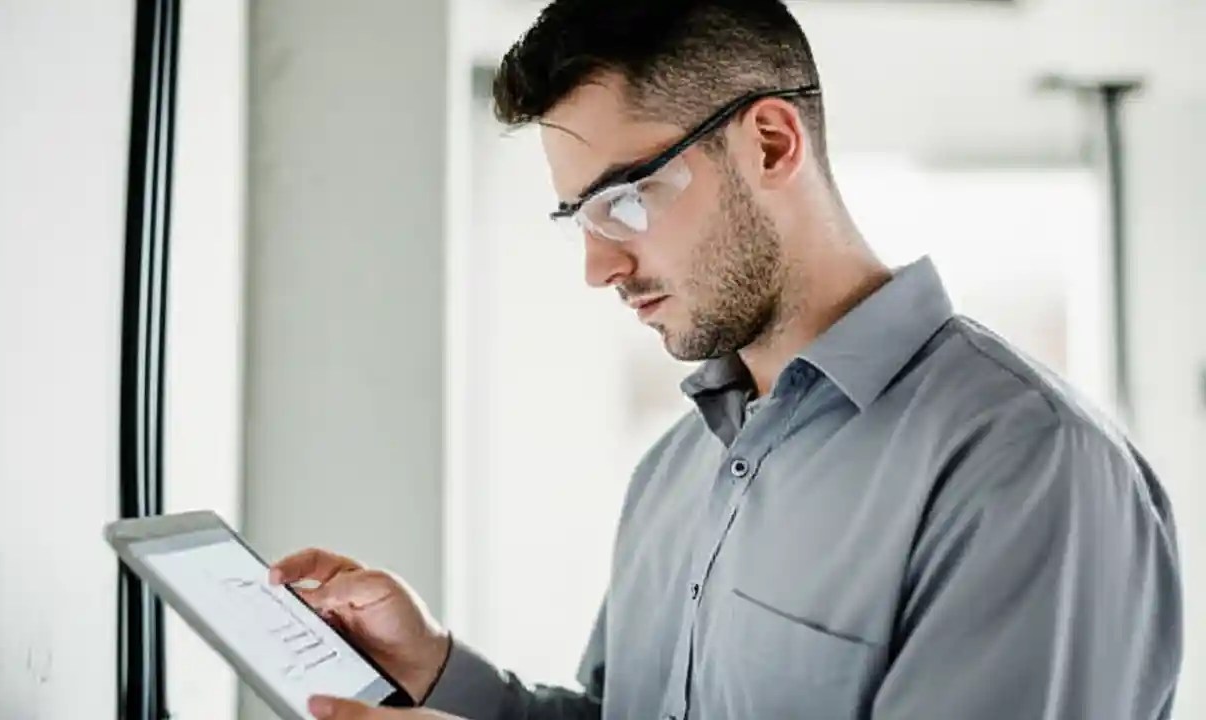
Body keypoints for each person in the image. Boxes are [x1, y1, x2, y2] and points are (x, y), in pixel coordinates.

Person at [275, 1, 1183, 718]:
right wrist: (437, 671)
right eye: (580, 221)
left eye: (624, 202)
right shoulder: (678, 468)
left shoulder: (1027, 467)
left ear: (771, 143)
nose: (600, 267)